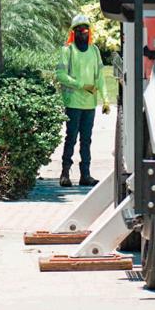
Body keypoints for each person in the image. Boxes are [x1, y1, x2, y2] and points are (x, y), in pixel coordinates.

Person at [55, 13, 109, 188]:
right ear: (73, 32)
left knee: (87, 140)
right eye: (78, 30)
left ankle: (85, 174)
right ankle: (65, 174)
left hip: (89, 104)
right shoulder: (67, 51)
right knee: (71, 138)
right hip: (73, 103)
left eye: (85, 29)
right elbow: (60, 75)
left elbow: (100, 77)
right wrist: (81, 85)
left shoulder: (94, 51)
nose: (82, 32)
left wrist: (106, 99)